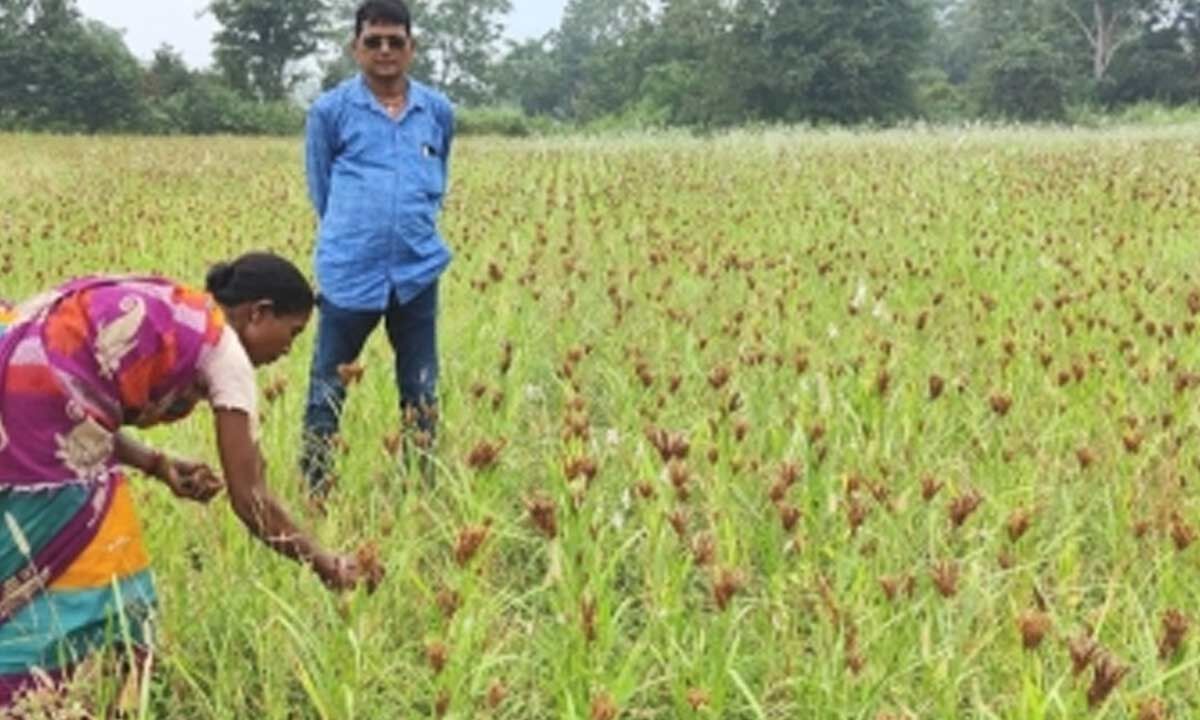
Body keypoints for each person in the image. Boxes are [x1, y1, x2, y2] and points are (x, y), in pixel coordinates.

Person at [0, 252, 382, 710]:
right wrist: (327, 564)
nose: (288, 350)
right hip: (28, 426)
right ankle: (35, 700)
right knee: (112, 591)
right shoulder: (225, 351)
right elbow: (251, 499)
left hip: (16, 382)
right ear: (258, 313)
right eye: (292, 332)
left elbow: (78, 407)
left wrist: (158, 464)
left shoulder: (183, 312)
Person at [301, 0, 455, 495]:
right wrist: (358, 231)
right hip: (349, 270)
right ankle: (316, 489)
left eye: (395, 41)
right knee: (327, 387)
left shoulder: (437, 111)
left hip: (416, 271)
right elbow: (322, 190)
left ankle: (419, 488)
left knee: (421, 386)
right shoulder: (330, 112)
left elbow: (439, 178)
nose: (384, 50)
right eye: (374, 41)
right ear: (356, 47)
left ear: (412, 47)